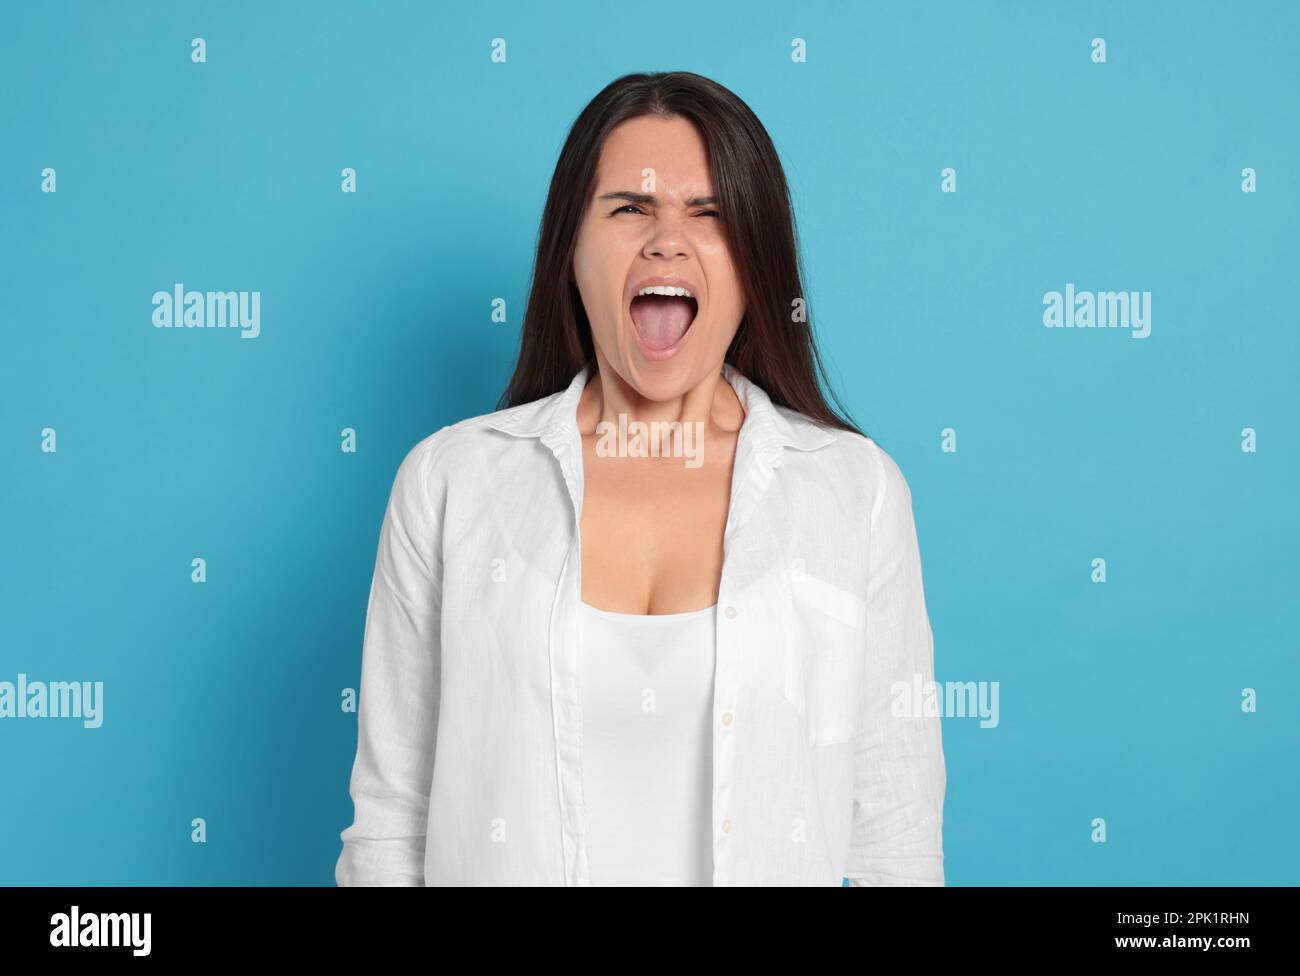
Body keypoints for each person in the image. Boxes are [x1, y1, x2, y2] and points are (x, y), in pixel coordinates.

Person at [335, 70, 946, 886]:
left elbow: (896, 842)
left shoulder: (855, 491)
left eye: (711, 215)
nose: (667, 242)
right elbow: (390, 828)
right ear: (572, 251)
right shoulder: (450, 482)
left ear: (757, 266)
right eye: (629, 209)